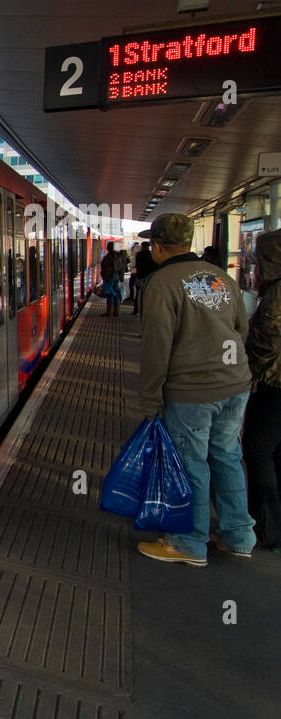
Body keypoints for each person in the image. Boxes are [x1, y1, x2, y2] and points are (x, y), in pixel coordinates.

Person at [135, 214, 254, 565]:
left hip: (193, 392)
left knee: (190, 465)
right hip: (235, 384)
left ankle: (189, 542)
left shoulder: (162, 282)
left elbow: (157, 347)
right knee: (227, 457)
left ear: (157, 247)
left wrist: (149, 397)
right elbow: (240, 328)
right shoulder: (221, 277)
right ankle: (239, 536)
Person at [243, 229, 281, 549]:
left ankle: (267, 526)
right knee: (274, 452)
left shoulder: (277, 292)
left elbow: (266, 342)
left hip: (273, 385)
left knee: (257, 450)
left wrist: (246, 369)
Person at [132, 241, 156, 316]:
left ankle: (136, 310)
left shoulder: (139, 255)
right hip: (148, 277)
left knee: (138, 294)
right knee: (146, 295)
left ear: (142, 246)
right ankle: (144, 311)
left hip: (140, 276)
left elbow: (137, 265)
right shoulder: (152, 255)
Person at [99, 242, 122, 317]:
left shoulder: (108, 257)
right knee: (116, 294)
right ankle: (117, 312)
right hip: (116, 277)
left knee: (110, 294)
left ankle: (109, 312)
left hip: (110, 278)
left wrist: (104, 276)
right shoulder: (118, 256)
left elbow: (106, 269)